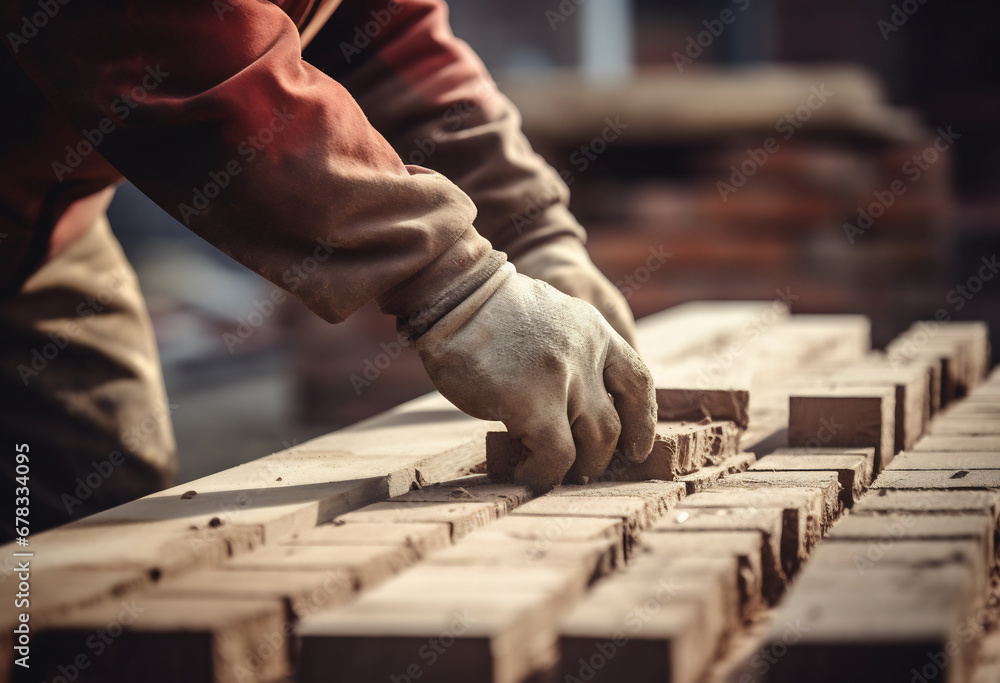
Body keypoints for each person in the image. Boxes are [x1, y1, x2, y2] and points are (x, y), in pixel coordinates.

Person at [0, 0, 656, 540]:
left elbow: (381, 38)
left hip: (40, 229)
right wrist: (458, 284)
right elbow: (184, 50)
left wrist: (533, 232)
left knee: (97, 534)